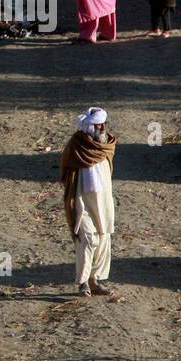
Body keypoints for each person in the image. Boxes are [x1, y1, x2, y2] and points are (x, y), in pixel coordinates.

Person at [60, 107, 119, 298]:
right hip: (81, 200)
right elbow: (66, 171)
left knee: (103, 238)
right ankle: (83, 282)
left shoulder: (107, 144)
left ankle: (95, 280)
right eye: (97, 125)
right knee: (86, 238)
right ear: (87, 127)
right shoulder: (76, 146)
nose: (102, 127)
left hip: (102, 200)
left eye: (102, 124)